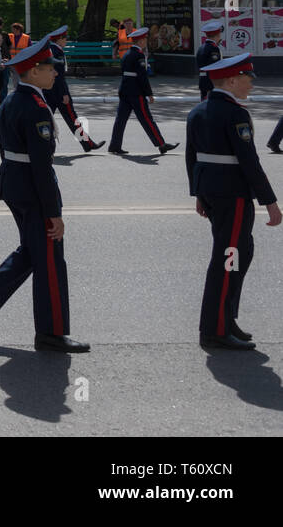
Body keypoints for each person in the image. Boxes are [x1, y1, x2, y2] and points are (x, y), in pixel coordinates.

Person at [0, 36, 89, 353]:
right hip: (33, 190)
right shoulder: (36, 108)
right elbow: (42, 167)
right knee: (50, 261)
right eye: (50, 68)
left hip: (15, 185)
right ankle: (52, 333)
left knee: (34, 251)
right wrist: (54, 212)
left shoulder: (14, 100)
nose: (56, 74)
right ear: (33, 72)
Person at [187, 54, 281, 350]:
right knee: (228, 258)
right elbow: (249, 161)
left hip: (214, 193)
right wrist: (270, 202)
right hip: (233, 195)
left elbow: (193, 159)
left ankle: (226, 317)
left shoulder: (198, 111)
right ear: (230, 81)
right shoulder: (234, 114)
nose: (251, 84)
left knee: (241, 251)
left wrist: (199, 194)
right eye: (247, 78)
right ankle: (215, 329)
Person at [107, 27, 177, 155]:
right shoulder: (139, 55)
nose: (146, 41)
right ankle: (161, 144)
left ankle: (114, 145)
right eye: (144, 39)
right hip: (136, 92)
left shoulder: (127, 53)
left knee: (121, 119)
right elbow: (142, 77)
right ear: (140, 41)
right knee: (146, 118)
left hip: (124, 90)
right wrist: (149, 93)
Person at [46, 26, 104, 151]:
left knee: (46, 119)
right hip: (58, 92)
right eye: (65, 38)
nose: (66, 41)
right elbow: (59, 76)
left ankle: (41, 145)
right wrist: (64, 93)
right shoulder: (58, 52)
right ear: (59, 39)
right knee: (72, 118)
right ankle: (87, 144)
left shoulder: (50, 50)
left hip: (49, 91)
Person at [196, 21, 224, 101]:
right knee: (211, 105)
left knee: (204, 104)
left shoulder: (201, 47)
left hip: (203, 81)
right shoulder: (213, 48)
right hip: (211, 82)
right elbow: (215, 66)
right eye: (219, 35)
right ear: (217, 35)